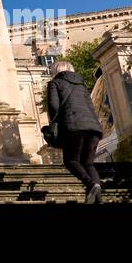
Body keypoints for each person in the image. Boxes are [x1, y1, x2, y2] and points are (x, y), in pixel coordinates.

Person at [45, 60, 104, 202]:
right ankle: (97, 198)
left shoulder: (55, 83)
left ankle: (91, 184)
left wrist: (54, 124)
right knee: (88, 163)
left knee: (71, 160)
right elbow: (91, 105)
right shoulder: (81, 85)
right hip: (94, 128)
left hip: (72, 126)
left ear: (55, 70)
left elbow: (54, 106)